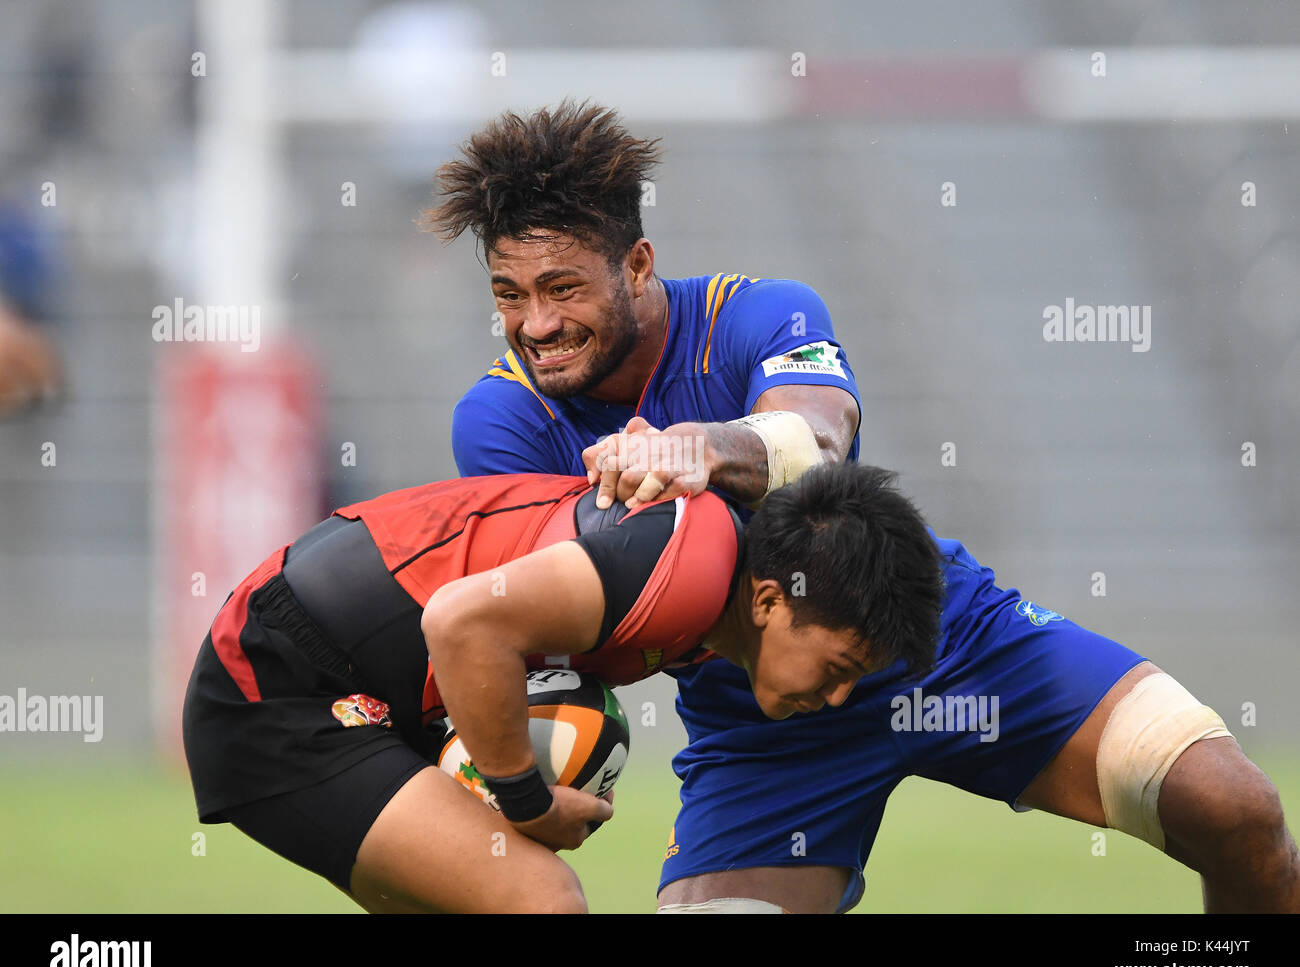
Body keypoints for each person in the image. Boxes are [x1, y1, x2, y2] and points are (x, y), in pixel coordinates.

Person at [433, 100, 1300, 913]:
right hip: (762, 724)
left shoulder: (758, 312)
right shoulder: (501, 421)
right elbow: (552, 620)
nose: (537, 324)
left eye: (563, 287)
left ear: (638, 263)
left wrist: (700, 445)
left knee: (1234, 811)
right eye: (511, 295)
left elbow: (817, 435)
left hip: (944, 640)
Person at [181, 465, 944, 913]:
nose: (838, 698)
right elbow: (459, 622)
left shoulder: (709, 574)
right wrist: (527, 801)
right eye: (839, 669)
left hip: (346, 682)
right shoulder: (690, 567)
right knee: (542, 900)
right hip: (279, 680)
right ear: (773, 600)